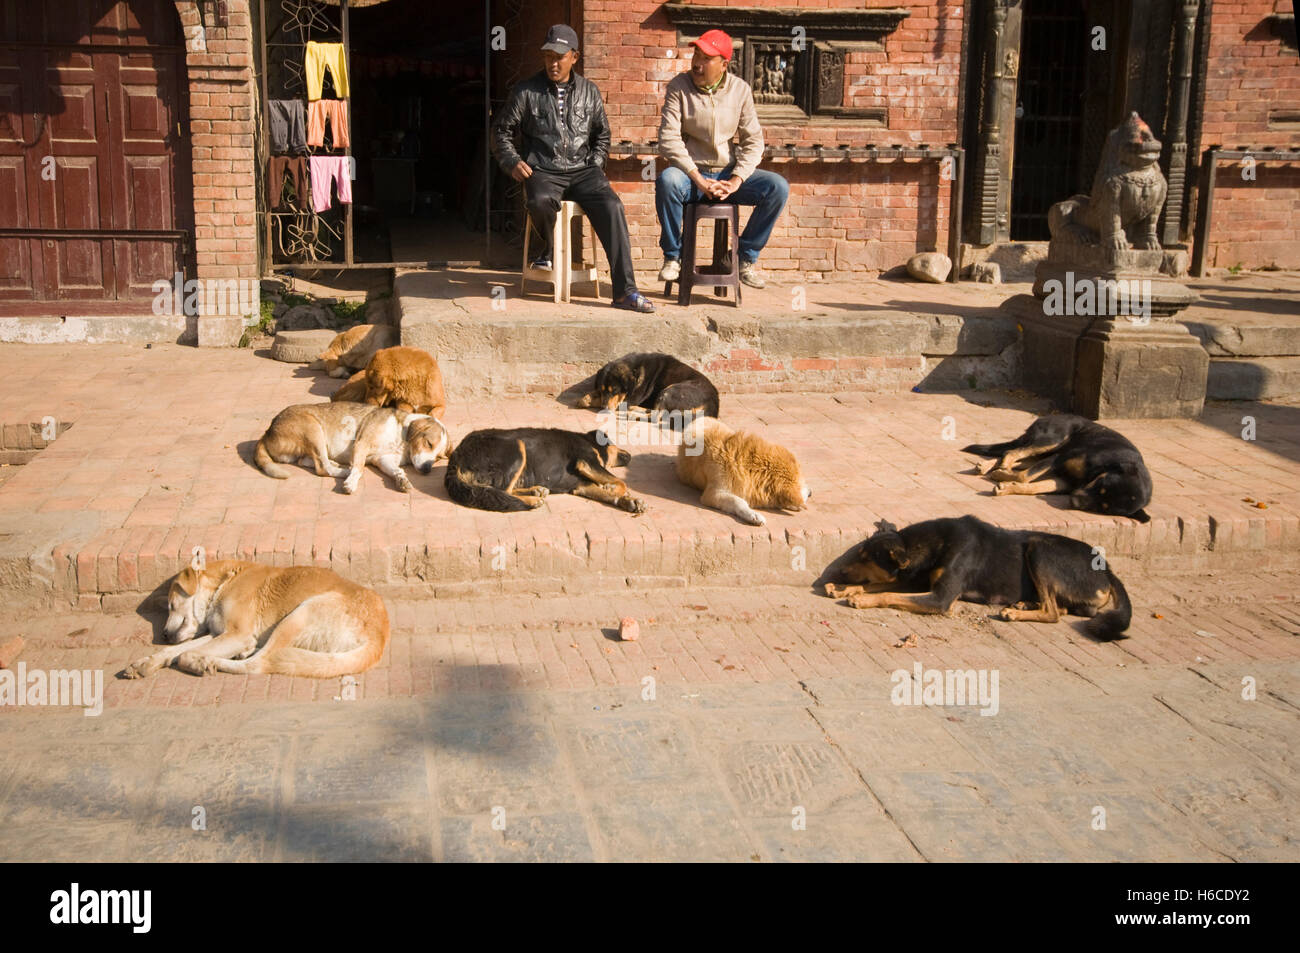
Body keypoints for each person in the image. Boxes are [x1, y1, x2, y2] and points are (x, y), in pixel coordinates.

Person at [492, 24, 655, 313]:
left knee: (613, 208)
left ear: (574, 57)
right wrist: (512, 161)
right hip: (543, 170)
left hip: (584, 171)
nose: (553, 63)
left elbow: (602, 135)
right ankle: (548, 250)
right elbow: (501, 131)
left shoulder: (590, 92)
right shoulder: (526, 91)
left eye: (559, 56)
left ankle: (624, 292)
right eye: (548, 56)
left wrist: (594, 164)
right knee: (540, 202)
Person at [656, 28, 789, 289]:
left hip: (727, 174)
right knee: (667, 181)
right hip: (690, 175)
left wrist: (737, 180)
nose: (697, 62)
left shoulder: (740, 90)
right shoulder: (678, 87)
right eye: (696, 54)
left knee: (777, 187)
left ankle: (742, 258)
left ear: (724, 65)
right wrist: (698, 178)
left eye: (706, 58)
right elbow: (668, 139)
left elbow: (753, 141)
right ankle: (674, 256)